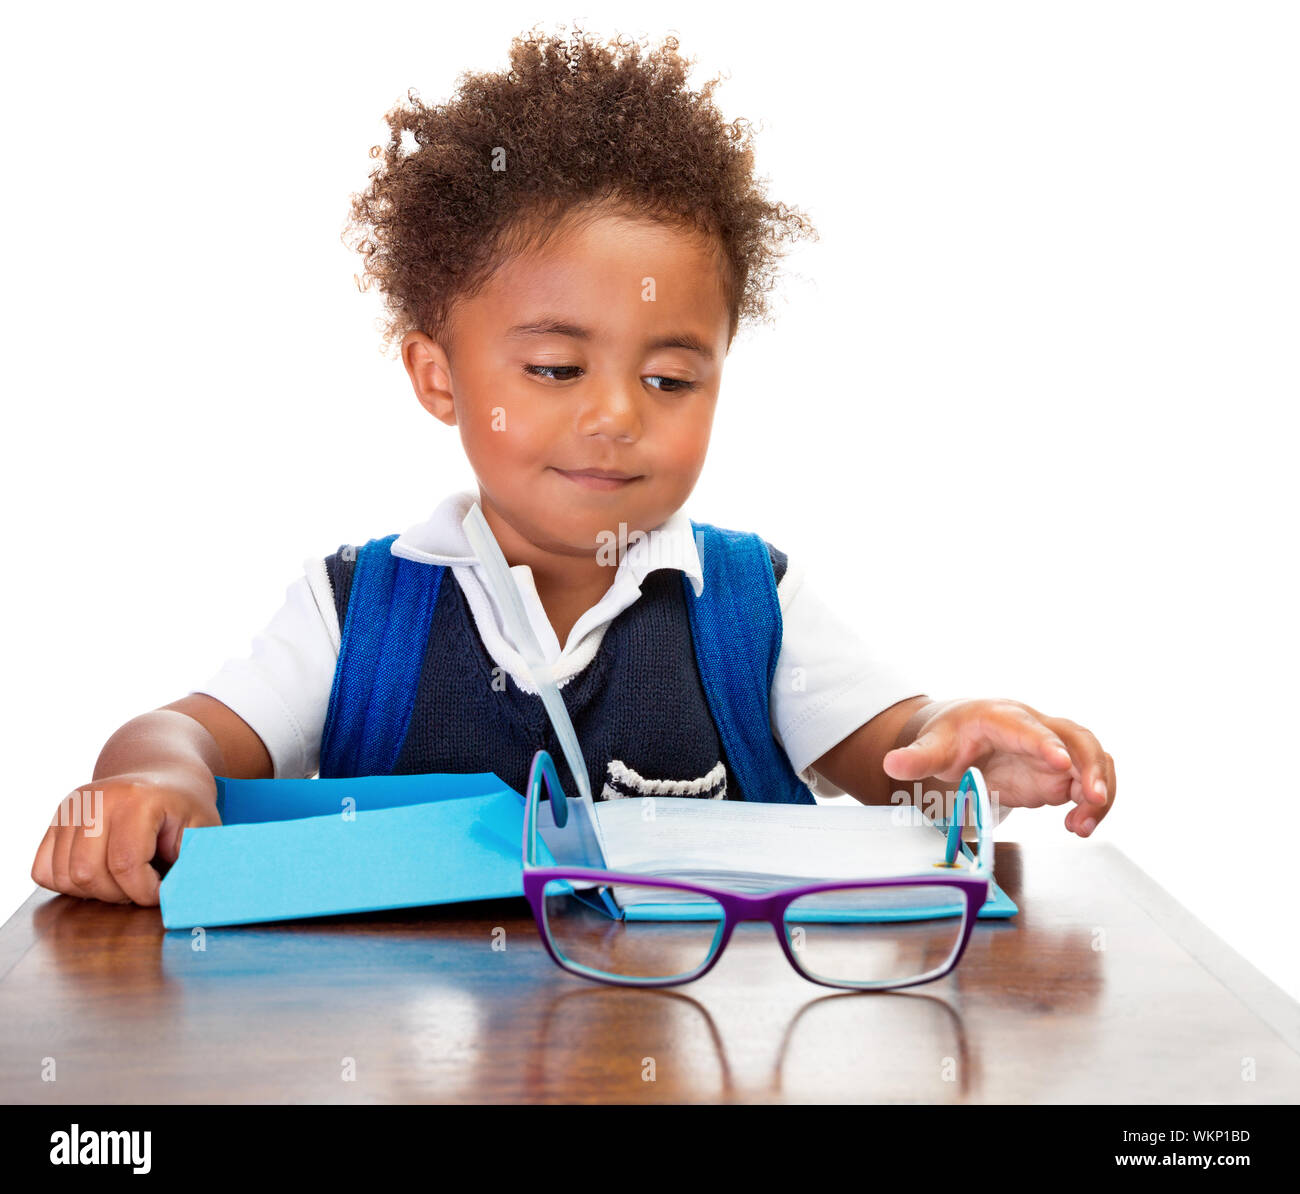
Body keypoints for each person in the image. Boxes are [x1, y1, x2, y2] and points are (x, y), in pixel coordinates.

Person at [31, 25, 1115, 908]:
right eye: (555, 368)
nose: (613, 418)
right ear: (437, 374)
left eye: (670, 381)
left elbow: (902, 760)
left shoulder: (750, 605)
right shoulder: (358, 608)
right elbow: (184, 729)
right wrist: (152, 777)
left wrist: (964, 742)